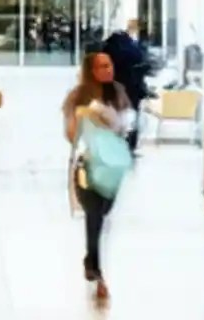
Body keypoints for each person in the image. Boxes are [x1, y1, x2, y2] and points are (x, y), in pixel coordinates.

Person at [63, 52, 132, 302]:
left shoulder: (117, 92)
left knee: (103, 212)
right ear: (91, 70)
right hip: (88, 164)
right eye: (103, 66)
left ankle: (90, 260)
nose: (108, 69)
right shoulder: (79, 97)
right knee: (93, 215)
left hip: (112, 165)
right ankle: (95, 266)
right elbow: (71, 132)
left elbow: (126, 124)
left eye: (110, 64)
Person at [102, 19, 151, 152]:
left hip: (114, 85)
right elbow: (141, 63)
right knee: (132, 114)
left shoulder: (111, 45)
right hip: (132, 86)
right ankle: (130, 143)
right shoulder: (132, 47)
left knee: (116, 113)